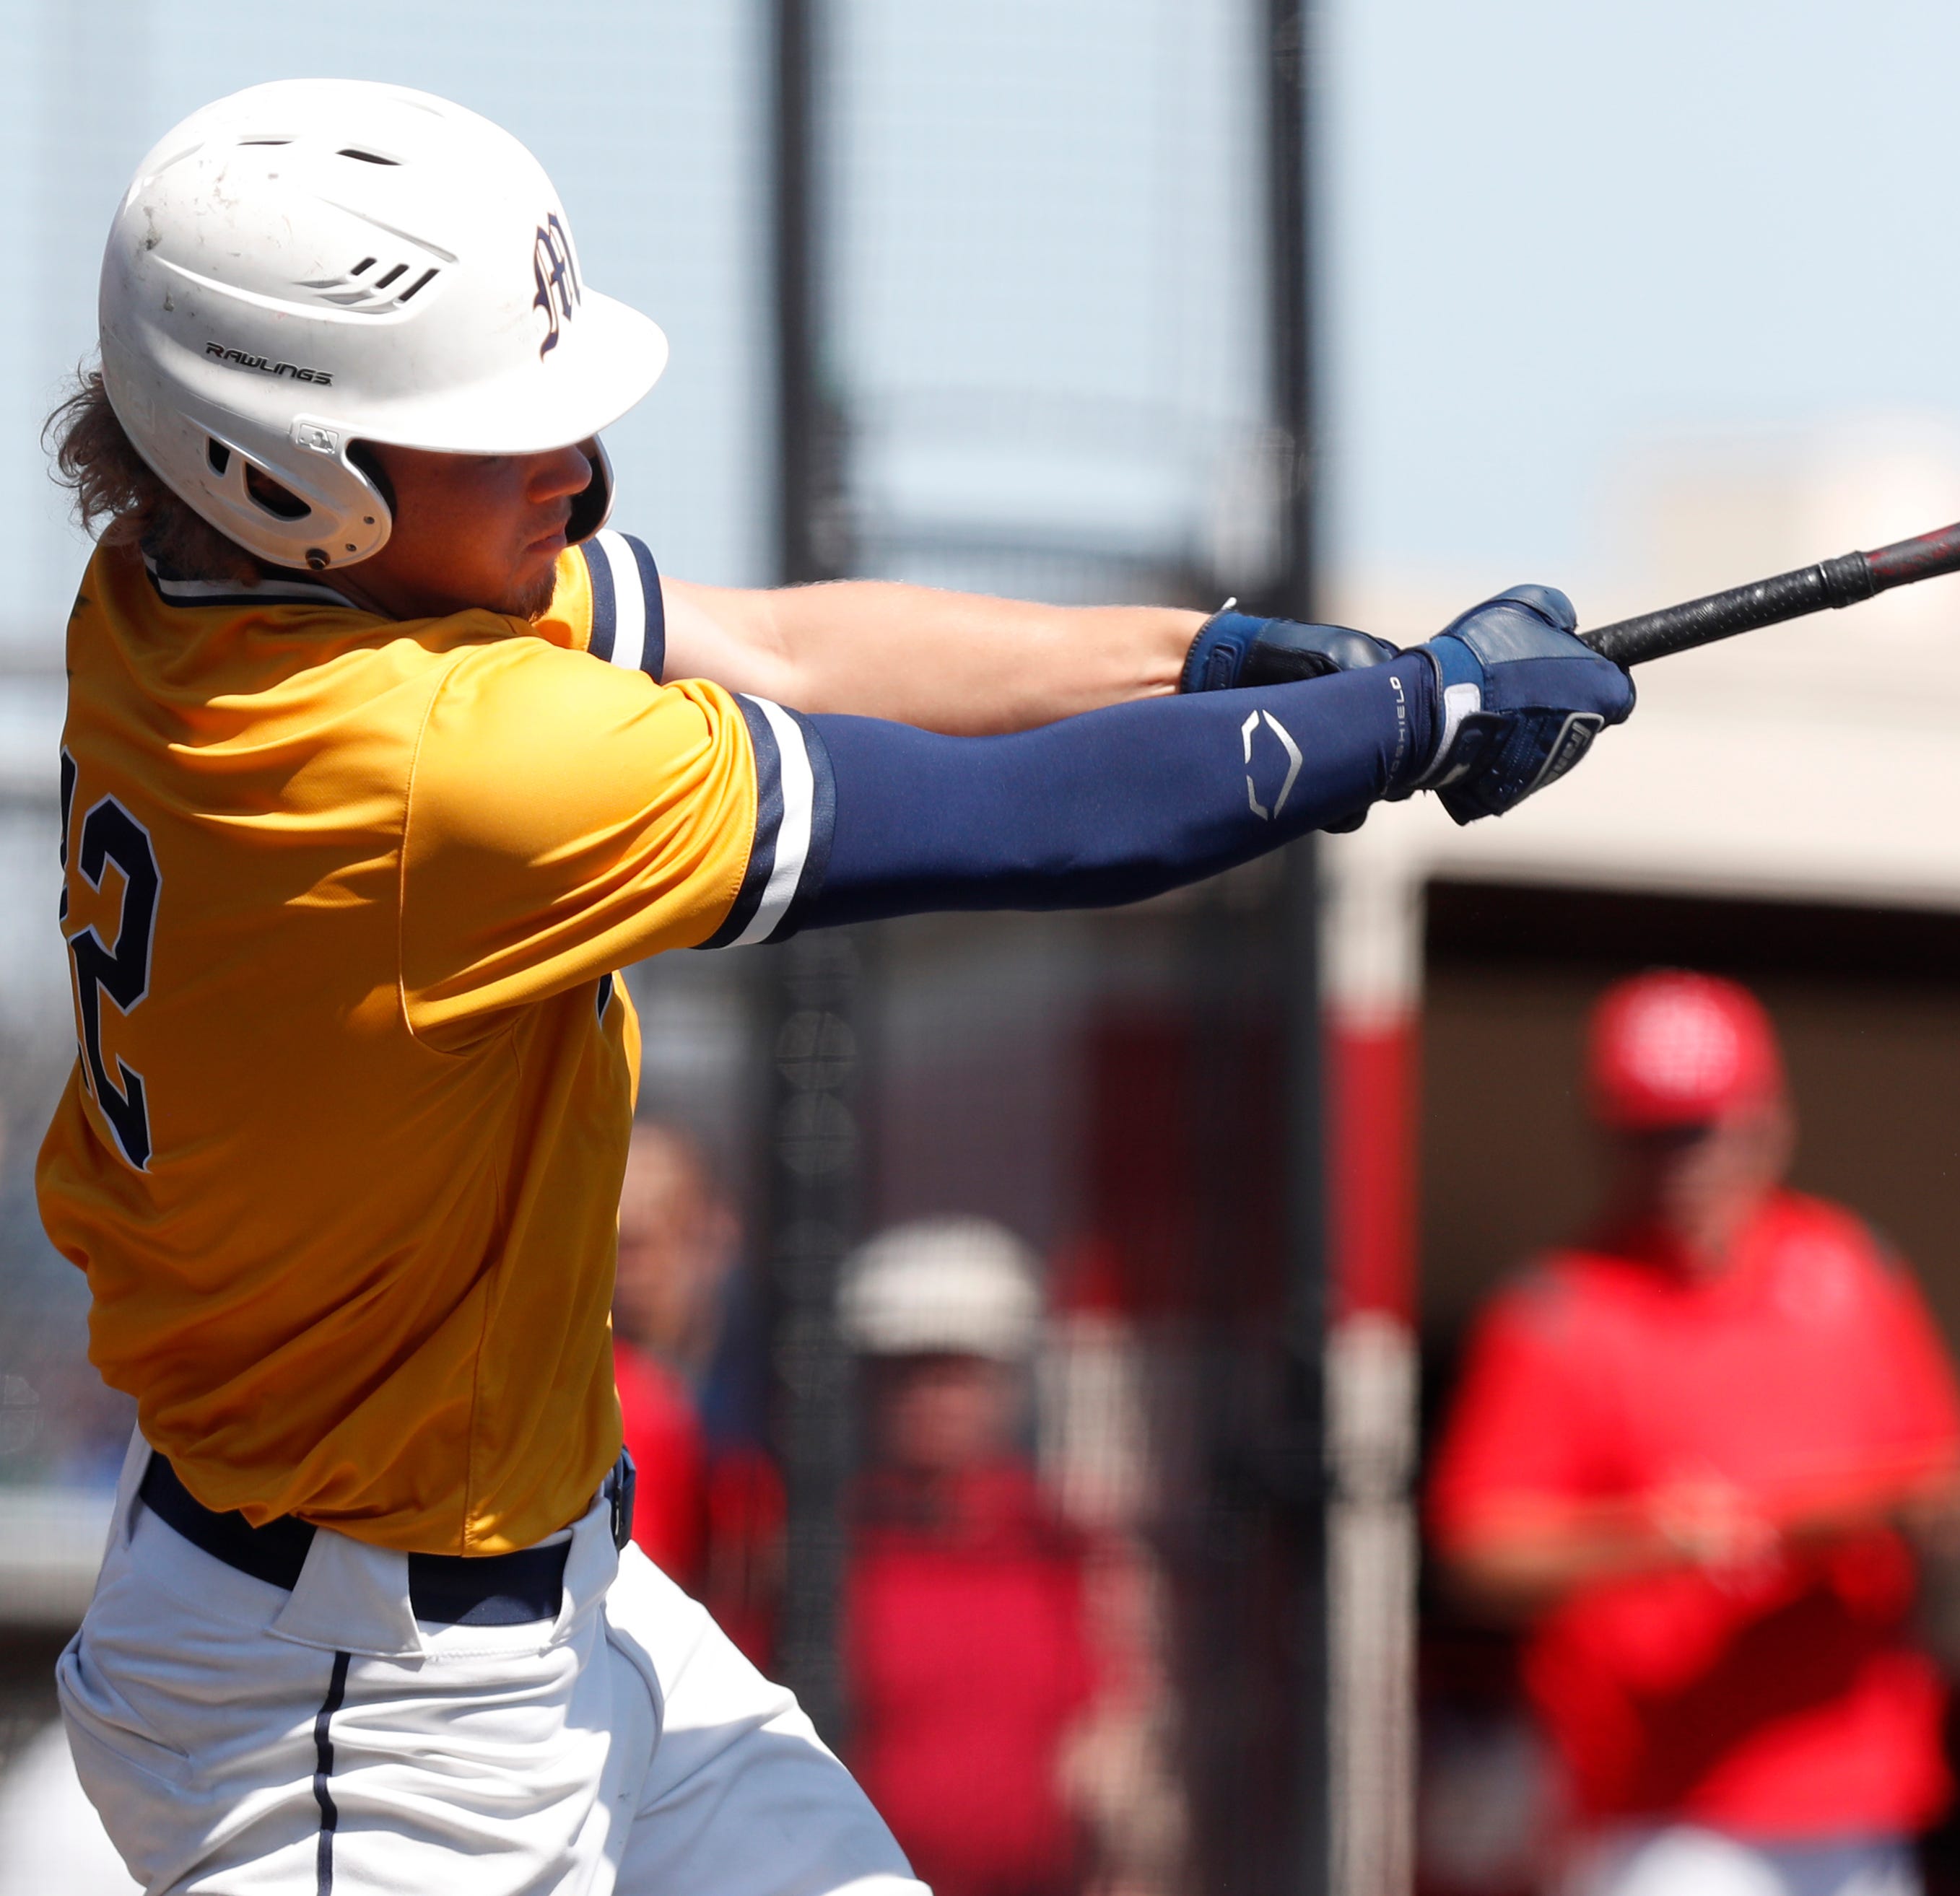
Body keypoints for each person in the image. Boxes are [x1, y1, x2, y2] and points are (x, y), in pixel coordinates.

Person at [42, 79, 1631, 1896]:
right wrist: (1401, 723)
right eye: (503, 428)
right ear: (283, 474)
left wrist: (1195, 655)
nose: (579, 468)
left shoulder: (183, 592)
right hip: (361, 1726)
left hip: (542, 1609)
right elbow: (1022, 827)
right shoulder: (440, 768)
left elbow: (790, 643)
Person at [1429, 973, 1960, 1896]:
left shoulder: (1850, 1269)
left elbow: (1946, 1485)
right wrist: (1653, 1537)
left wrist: (1818, 1522)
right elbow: (1476, 1552)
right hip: (1660, 1801)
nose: (1677, 1163)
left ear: (1768, 1122)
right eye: (1647, 1135)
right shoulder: (1558, 1312)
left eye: (1699, 1130)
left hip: (1846, 1778)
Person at [837, 1220, 1097, 1896]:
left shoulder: (1058, 1544)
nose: (935, 1399)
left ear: (1008, 1384)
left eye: (960, 1373)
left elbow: (1105, 1732)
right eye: (910, 1374)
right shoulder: (822, 1547)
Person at [612, 1119, 745, 1585]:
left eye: (639, 1242)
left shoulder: (776, 1388)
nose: (622, 1266)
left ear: (717, 1230)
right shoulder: (602, 1403)